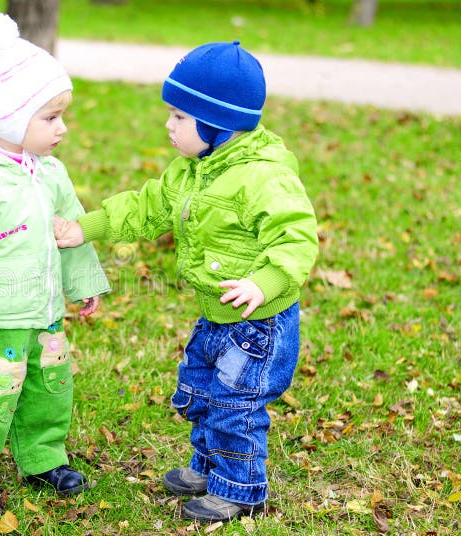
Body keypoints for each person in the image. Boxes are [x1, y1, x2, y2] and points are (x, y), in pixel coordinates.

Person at [53, 41, 318, 522]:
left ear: (218, 122)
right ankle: (210, 466)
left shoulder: (264, 177)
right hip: (217, 315)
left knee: (235, 405)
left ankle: (240, 488)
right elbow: (144, 207)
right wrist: (84, 228)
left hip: (258, 322)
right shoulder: (191, 172)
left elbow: (296, 237)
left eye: (179, 116)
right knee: (202, 391)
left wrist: (265, 280)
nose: (168, 126)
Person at [0, 12, 110, 518]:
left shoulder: (50, 174)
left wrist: (82, 282)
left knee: (49, 390)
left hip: (44, 314)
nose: (63, 128)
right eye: (49, 118)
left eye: (61, 116)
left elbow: (69, 230)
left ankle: (43, 457)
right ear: (8, 117)